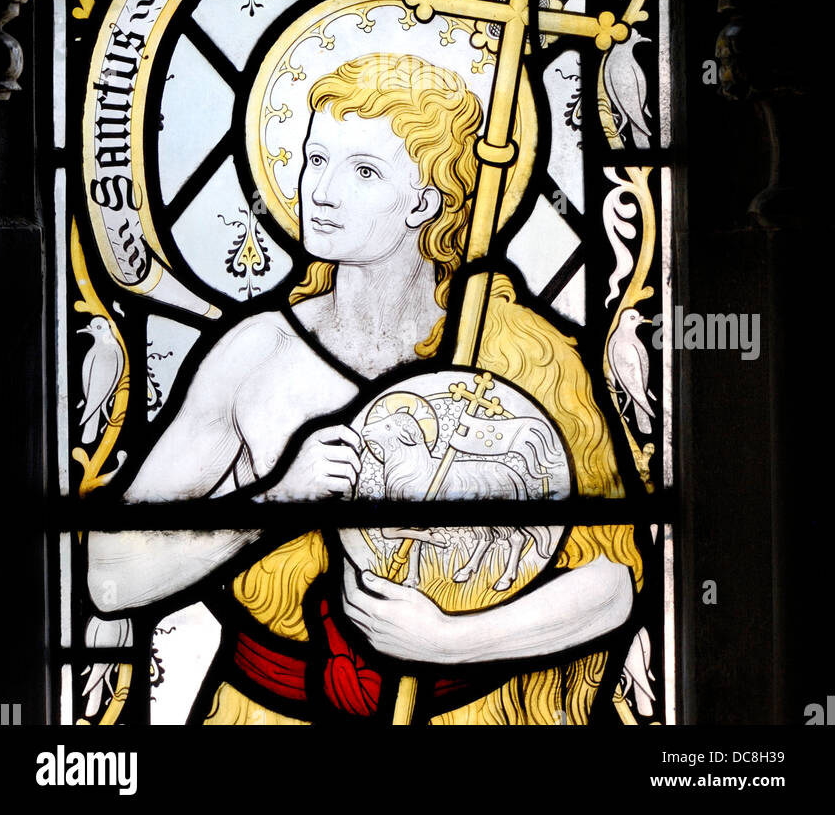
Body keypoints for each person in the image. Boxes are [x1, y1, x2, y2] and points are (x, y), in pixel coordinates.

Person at [88, 53, 641, 725]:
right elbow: (110, 574)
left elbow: (612, 581)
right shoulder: (255, 354)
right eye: (315, 159)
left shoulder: (516, 351)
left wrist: (448, 641)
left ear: (426, 199)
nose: (319, 192)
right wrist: (273, 501)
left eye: (364, 171)